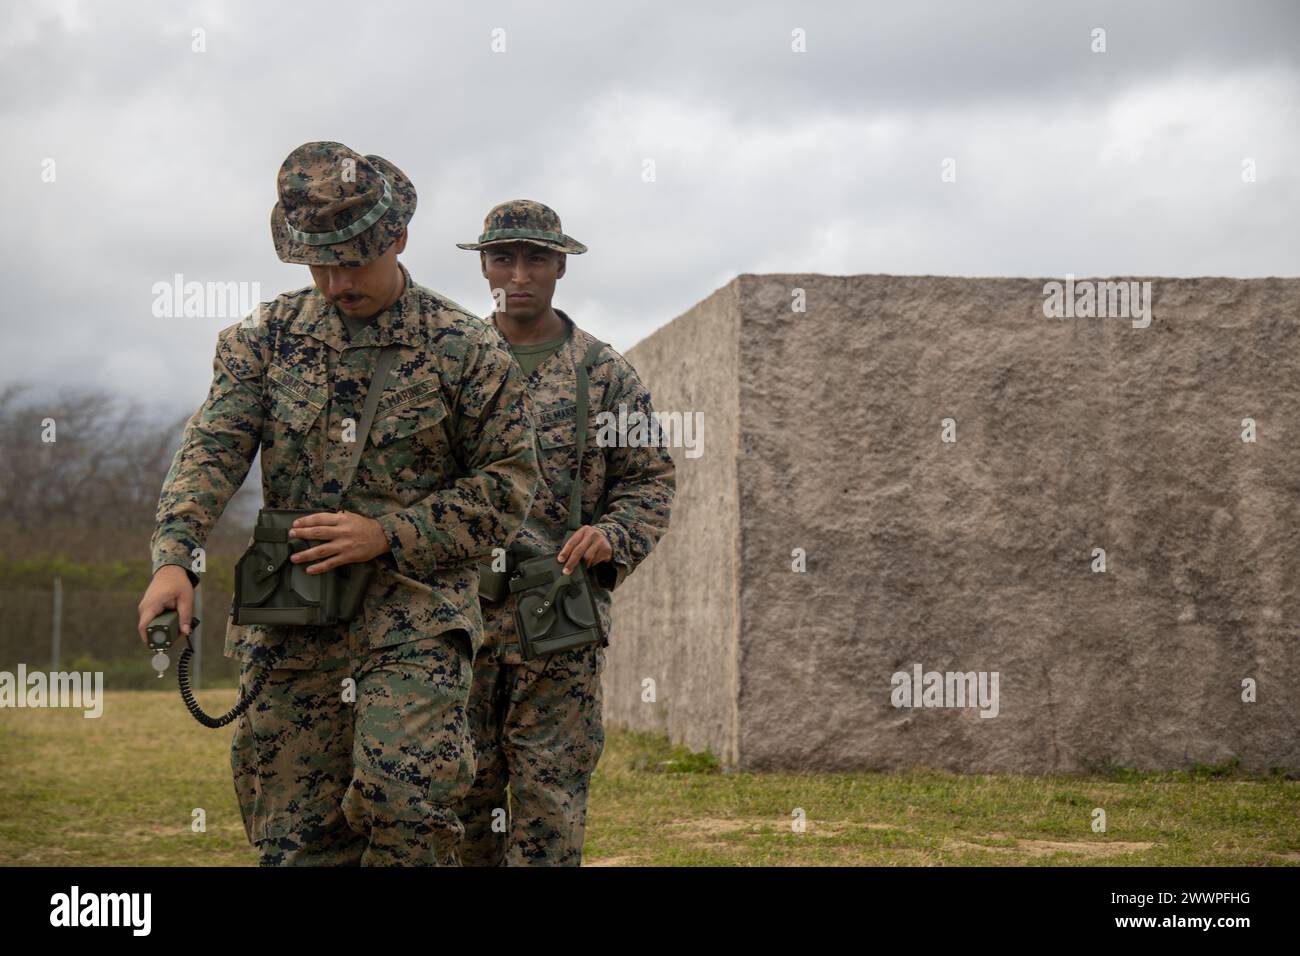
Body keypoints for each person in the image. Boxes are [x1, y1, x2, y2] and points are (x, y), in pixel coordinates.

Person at [135, 142, 541, 866]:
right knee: (296, 835)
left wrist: (389, 532)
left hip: (414, 609)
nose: (335, 280)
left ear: (398, 241)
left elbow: (508, 482)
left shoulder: (466, 351)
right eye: (319, 262)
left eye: (353, 261)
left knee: (408, 800)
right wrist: (175, 558)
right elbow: (212, 452)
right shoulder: (262, 341)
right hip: (295, 615)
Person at [452, 200, 676, 865]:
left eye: (536, 259)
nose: (518, 274)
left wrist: (615, 534)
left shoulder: (603, 374)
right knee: (462, 794)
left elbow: (650, 479)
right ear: (484, 266)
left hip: (558, 620)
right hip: (456, 616)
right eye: (502, 258)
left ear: (560, 267)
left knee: (550, 800)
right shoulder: (450, 362)